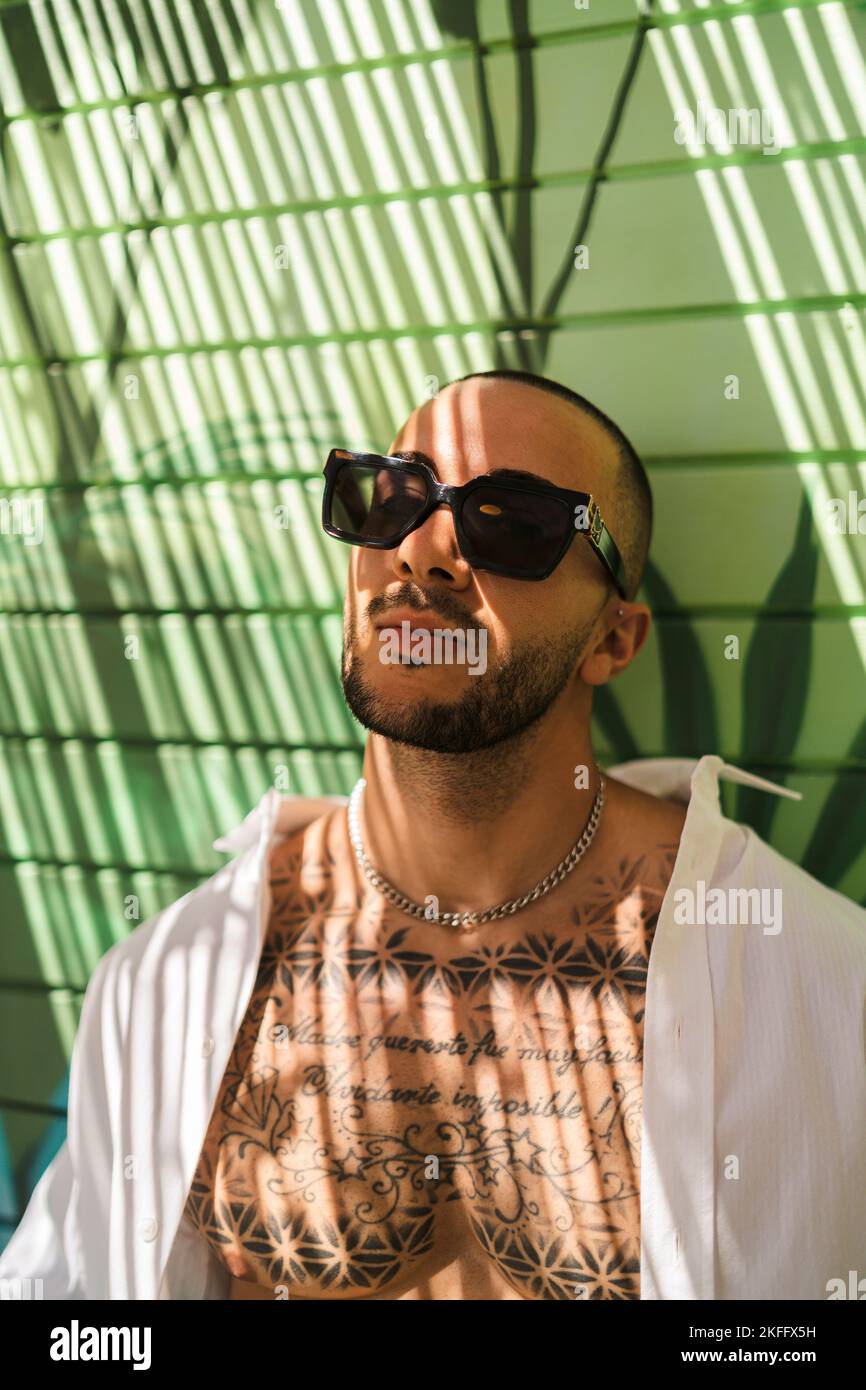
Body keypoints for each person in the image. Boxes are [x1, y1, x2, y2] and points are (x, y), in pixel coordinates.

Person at [2, 370, 865, 1301]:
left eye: (513, 522)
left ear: (613, 640)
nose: (425, 552)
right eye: (393, 499)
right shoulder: (170, 986)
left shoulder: (817, 989)